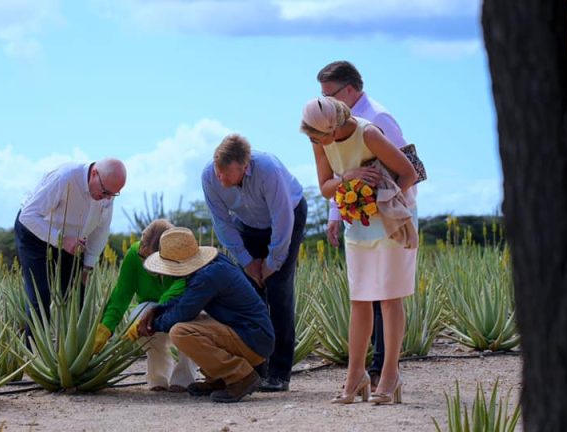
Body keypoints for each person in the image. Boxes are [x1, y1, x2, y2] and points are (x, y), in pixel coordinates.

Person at [301, 96, 417, 405]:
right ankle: (356, 375)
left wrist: (382, 202)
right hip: (358, 223)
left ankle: (390, 375)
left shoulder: (368, 134)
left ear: (335, 126)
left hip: (390, 221)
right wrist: (347, 179)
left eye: (317, 136)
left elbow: (409, 174)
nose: (314, 141)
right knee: (360, 300)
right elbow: (325, 186)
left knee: (390, 298)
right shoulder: (319, 139)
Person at [201, 134, 307, 392]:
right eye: (218, 172)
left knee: (278, 290)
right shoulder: (209, 176)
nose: (221, 180)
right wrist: (247, 262)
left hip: (286, 219)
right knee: (249, 295)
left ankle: (280, 373)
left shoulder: (267, 169)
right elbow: (221, 222)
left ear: (244, 167)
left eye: (227, 174)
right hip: (246, 226)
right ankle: (255, 369)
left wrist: (272, 263)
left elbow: (282, 219)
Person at [137, 227, 275, 403]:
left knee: (181, 331)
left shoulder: (208, 275)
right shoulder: (210, 267)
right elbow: (186, 299)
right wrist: (158, 310)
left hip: (252, 338)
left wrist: (152, 325)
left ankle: (240, 376)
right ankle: (219, 379)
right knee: (192, 323)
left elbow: (182, 313)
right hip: (250, 333)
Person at [14, 158, 126, 336]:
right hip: (36, 234)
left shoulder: (107, 193)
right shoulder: (63, 177)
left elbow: (100, 230)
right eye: (105, 192)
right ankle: (33, 354)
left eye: (113, 194)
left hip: (73, 243)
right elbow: (28, 216)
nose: (107, 198)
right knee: (40, 298)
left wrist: (87, 267)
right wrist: (62, 239)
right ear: (94, 173)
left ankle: (71, 355)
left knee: (77, 297)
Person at [92, 219, 199, 392]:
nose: (145, 264)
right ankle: (159, 377)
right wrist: (105, 328)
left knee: (191, 320)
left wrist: (153, 314)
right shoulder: (134, 254)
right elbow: (121, 294)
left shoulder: (182, 258)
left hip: (180, 307)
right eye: (143, 256)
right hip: (151, 306)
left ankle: (185, 377)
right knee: (137, 314)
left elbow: (176, 292)